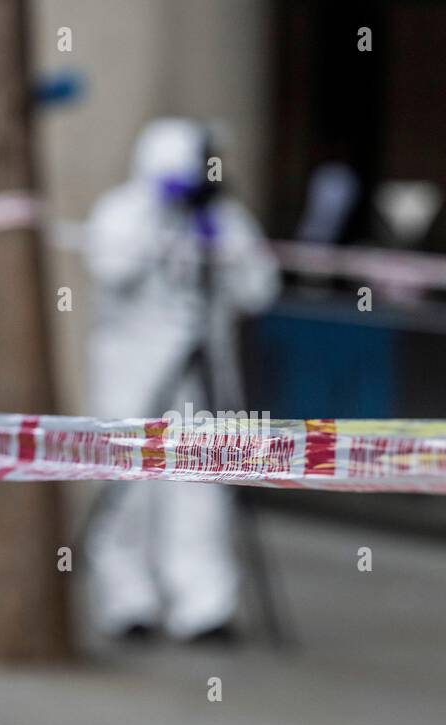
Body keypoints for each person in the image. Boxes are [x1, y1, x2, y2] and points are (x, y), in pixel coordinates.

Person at [83, 118, 280, 644]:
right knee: (128, 491)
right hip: (132, 376)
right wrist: (158, 217)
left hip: (202, 379)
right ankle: (129, 603)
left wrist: (224, 244)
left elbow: (260, 289)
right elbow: (111, 268)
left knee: (200, 493)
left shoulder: (222, 217)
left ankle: (204, 606)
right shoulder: (122, 211)